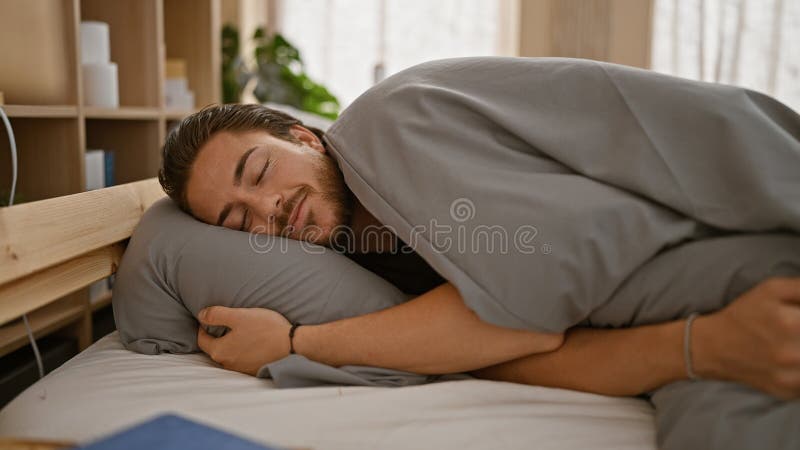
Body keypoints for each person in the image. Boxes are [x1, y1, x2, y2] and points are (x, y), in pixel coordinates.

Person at [158, 84, 800, 402]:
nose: (269, 211)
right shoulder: (368, 259)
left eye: (260, 173)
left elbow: (525, 320)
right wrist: (701, 349)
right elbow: (511, 355)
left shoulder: (388, 128)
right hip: (708, 326)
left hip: (738, 237)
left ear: (303, 137)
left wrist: (296, 343)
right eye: (241, 225)